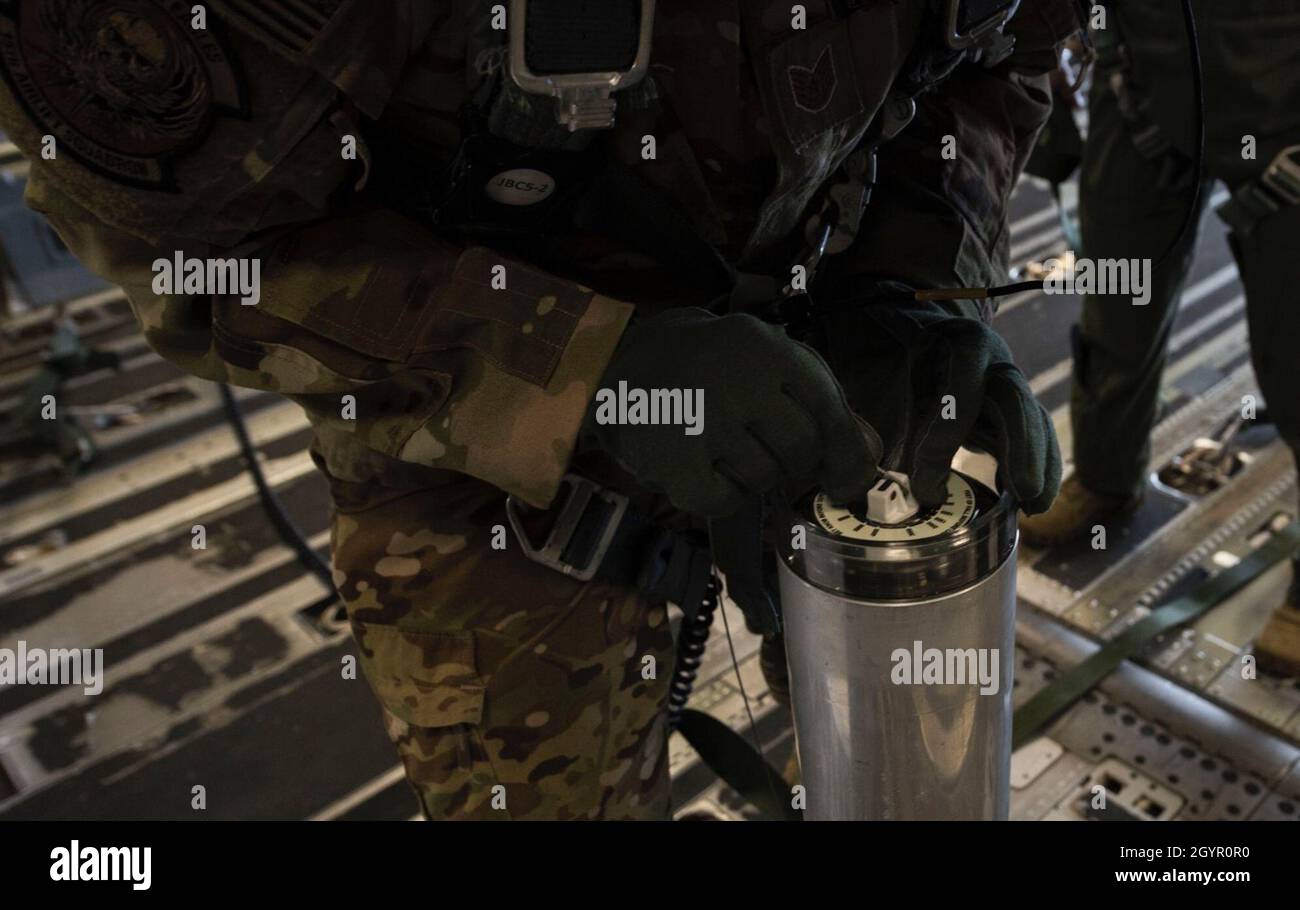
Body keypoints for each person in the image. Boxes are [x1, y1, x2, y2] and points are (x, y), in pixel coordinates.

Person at [0, 0, 1074, 819]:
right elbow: (188, 247)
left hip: (813, 372)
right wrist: (580, 369)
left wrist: (911, 267)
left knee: (883, 749)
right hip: (484, 480)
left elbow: (1000, 54)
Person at [1018, 0, 1300, 676]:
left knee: (1294, 345)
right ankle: (1108, 476)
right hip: (1141, 65)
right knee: (1118, 296)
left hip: (1283, 81)